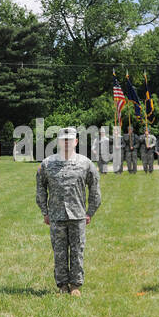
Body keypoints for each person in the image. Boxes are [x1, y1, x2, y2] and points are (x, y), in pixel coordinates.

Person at [36, 127, 101, 296]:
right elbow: (40, 188)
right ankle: (62, 285)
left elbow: (94, 189)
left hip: (78, 215)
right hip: (56, 216)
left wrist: (90, 212)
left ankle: (75, 285)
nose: (66, 143)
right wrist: (45, 211)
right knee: (59, 252)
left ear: (76, 142)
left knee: (77, 251)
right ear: (58, 142)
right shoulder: (47, 164)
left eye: (70, 140)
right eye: (63, 140)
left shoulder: (85, 163)